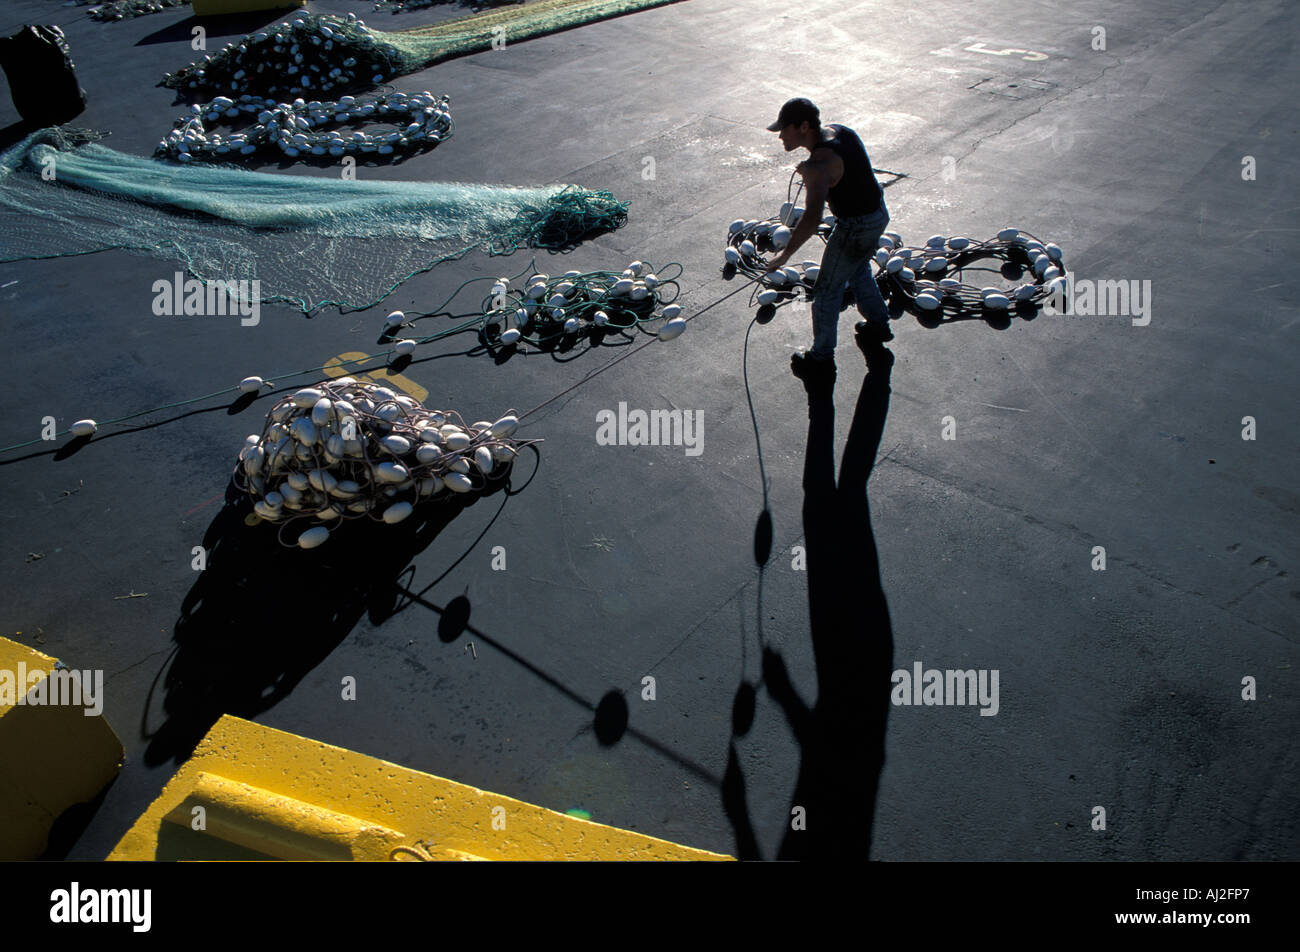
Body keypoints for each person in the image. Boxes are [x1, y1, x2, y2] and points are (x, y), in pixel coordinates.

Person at [763, 98, 892, 378]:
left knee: (826, 290)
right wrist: (812, 171)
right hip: (877, 214)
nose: (781, 136)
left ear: (804, 126)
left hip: (856, 226)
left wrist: (784, 256)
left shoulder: (819, 165)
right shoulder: (838, 131)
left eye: (785, 129)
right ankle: (879, 324)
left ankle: (821, 358)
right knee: (857, 269)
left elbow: (811, 217)